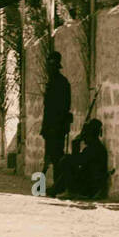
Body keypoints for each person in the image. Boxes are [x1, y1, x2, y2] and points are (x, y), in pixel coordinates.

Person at [52, 118, 111, 201]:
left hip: (90, 187)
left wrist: (75, 144)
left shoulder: (94, 149)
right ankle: (55, 189)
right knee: (67, 160)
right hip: (89, 183)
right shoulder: (94, 147)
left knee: (66, 161)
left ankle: (68, 191)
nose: (84, 139)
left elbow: (76, 162)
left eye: (86, 135)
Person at [40, 50, 72, 178]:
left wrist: (56, 126)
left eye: (52, 66)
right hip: (50, 126)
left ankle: (58, 185)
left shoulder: (62, 83)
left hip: (57, 126)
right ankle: (56, 184)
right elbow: (47, 108)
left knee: (56, 156)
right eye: (49, 66)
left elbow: (64, 106)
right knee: (50, 156)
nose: (49, 69)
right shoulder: (52, 82)